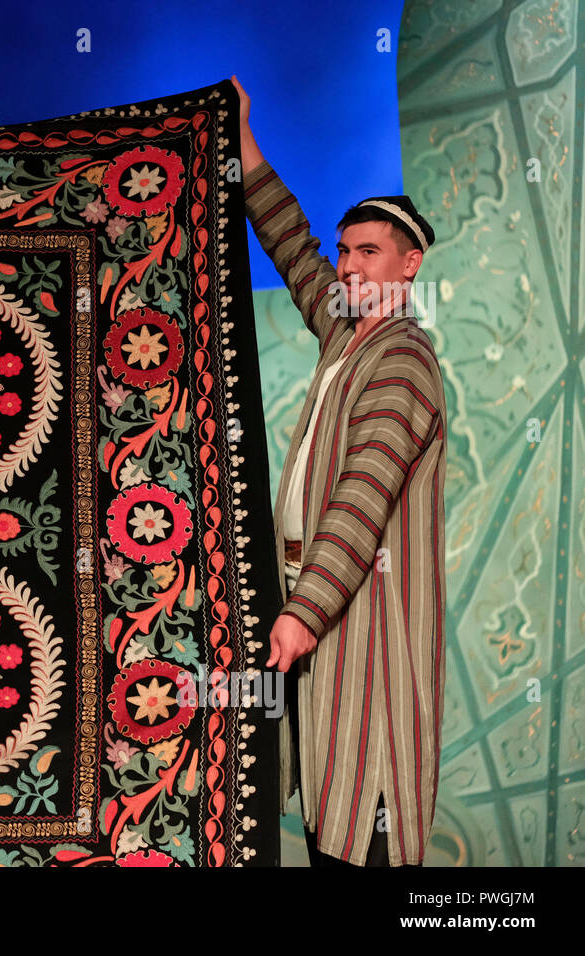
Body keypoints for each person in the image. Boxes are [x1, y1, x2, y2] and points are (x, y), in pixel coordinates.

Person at [231, 77, 447, 867]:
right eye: (346, 249)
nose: (349, 265)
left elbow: (361, 497)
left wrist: (301, 614)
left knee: (368, 816)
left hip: (362, 621)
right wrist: (245, 144)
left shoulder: (402, 361)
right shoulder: (345, 332)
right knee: (328, 810)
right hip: (319, 611)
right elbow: (292, 246)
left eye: (369, 252)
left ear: (410, 263)